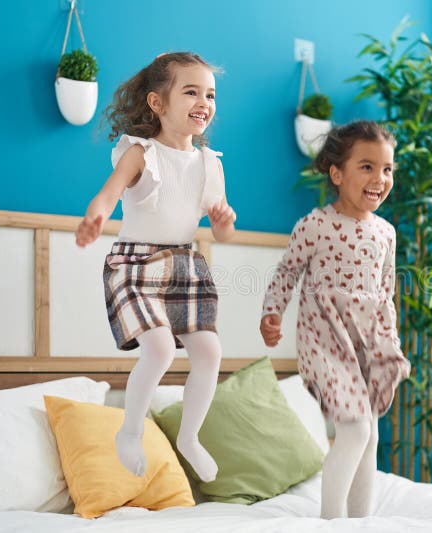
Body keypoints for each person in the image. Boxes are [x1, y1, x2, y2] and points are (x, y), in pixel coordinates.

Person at [75, 52, 235, 482]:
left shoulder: (210, 164)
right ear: (157, 103)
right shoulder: (140, 153)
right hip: (135, 263)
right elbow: (108, 194)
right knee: (161, 348)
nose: (204, 101)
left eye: (210, 94)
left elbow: (222, 232)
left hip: (184, 264)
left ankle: (189, 437)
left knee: (209, 351)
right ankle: (129, 431)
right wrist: (95, 218)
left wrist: (223, 224)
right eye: (191, 91)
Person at [260, 120, 411, 518]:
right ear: (337, 173)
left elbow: (385, 294)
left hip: (366, 343)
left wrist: (389, 343)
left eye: (387, 169)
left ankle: (361, 524)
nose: (380, 178)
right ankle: (330, 523)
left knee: (371, 434)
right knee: (356, 429)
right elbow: (287, 273)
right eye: (367, 166)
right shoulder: (315, 225)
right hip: (324, 343)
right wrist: (272, 312)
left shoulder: (386, 233)